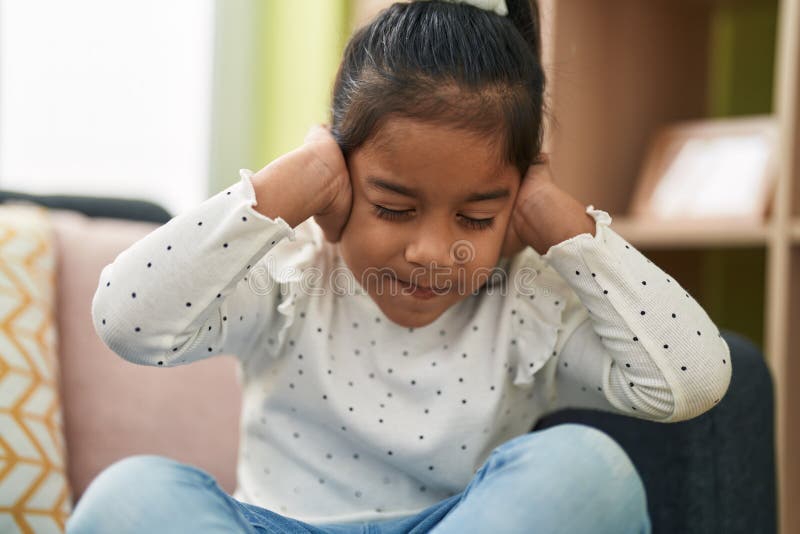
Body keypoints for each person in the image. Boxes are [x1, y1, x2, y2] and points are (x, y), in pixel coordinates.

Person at [67, 0, 731, 532]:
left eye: (476, 217)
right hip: (277, 523)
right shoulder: (289, 277)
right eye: (392, 207)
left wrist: (561, 221)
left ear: (514, 206)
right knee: (130, 496)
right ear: (339, 184)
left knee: (588, 466)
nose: (432, 252)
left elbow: (691, 382)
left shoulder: (530, 306)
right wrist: (295, 180)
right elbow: (127, 320)